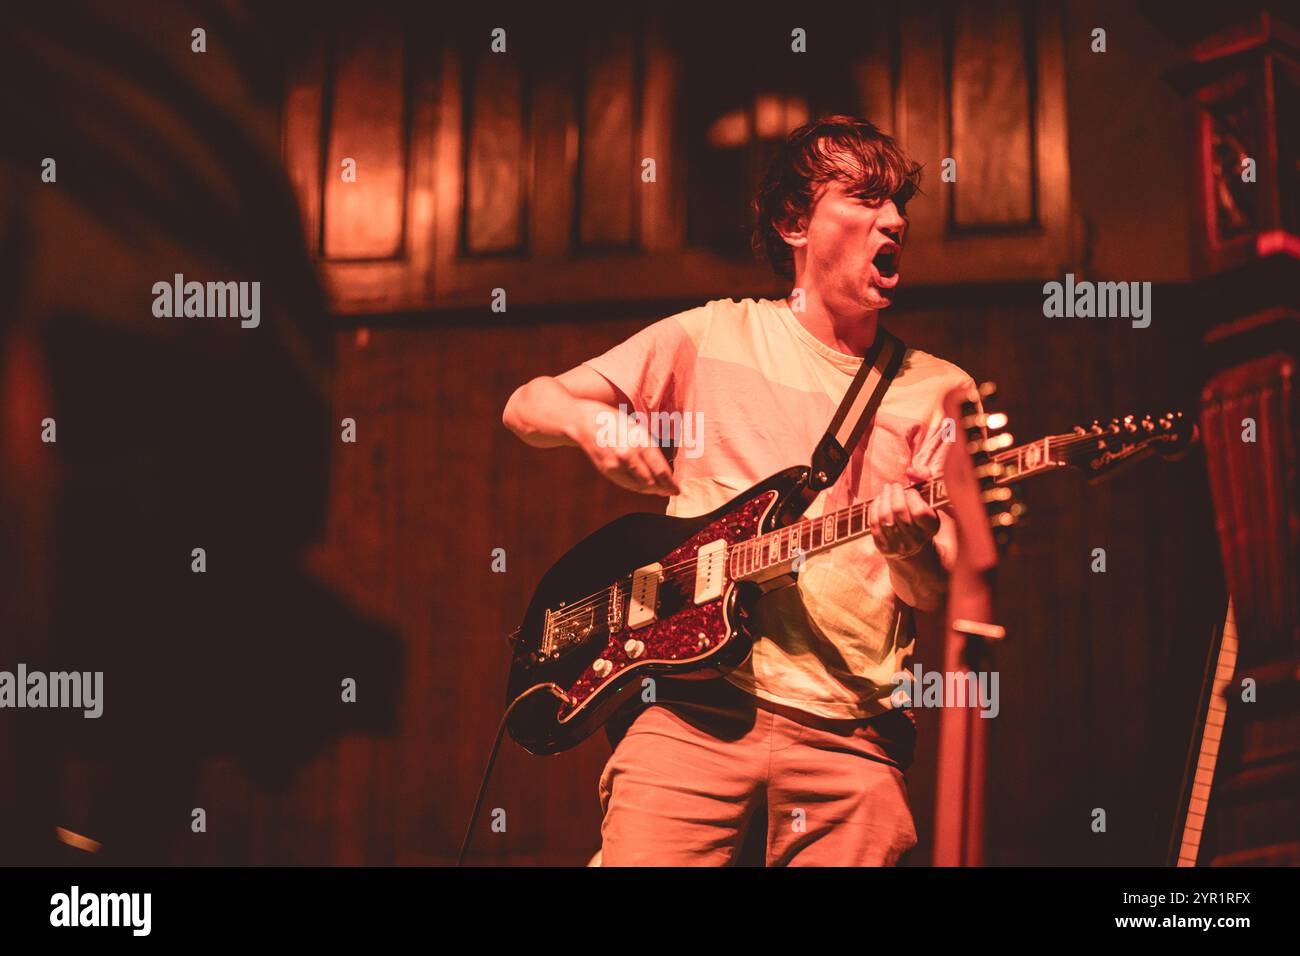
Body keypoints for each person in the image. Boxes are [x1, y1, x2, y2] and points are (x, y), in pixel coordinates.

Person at [503, 115, 976, 866]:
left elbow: (930, 588)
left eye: (898, 204)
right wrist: (594, 425)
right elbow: (528, 405)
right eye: (865, 198)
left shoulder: (942, 390)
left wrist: (908, 547)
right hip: (690, 711)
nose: (894, 220)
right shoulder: (714, 335)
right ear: (795, 223)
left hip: (851, 735)